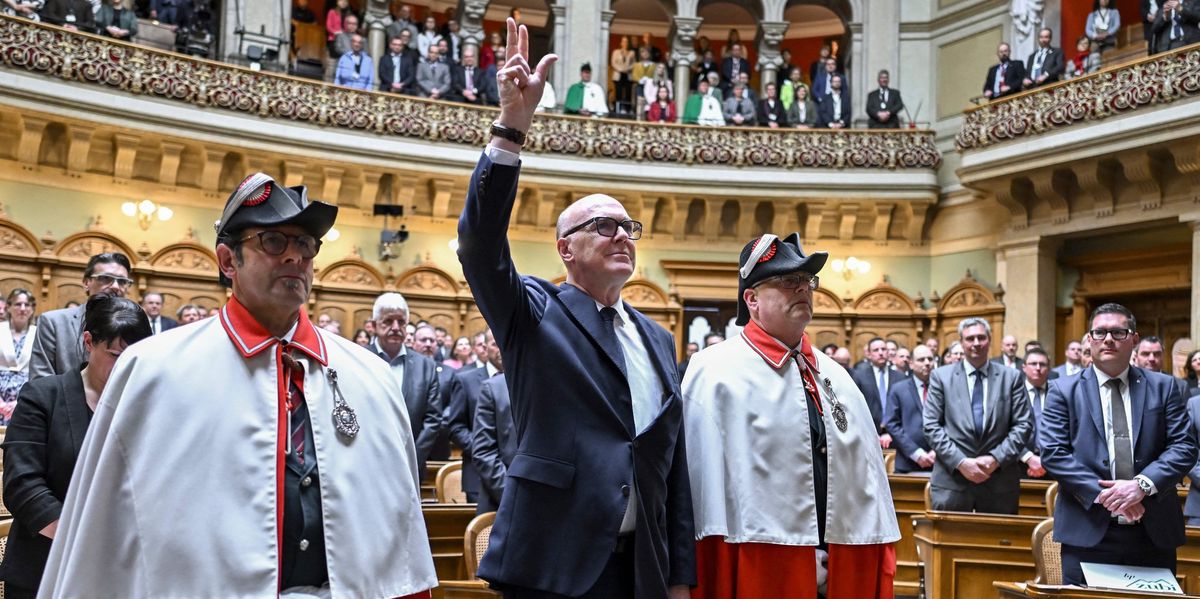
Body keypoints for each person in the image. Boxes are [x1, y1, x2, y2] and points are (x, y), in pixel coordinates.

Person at [38, 172, 436, 597]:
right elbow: (103, 534)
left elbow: (400, 535)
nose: (295, 257)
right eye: (274, 242)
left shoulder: (369, 376)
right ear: (228, 261)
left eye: (306, 245)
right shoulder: (154, 371)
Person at [458, 18, 694, 598]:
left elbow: (671, 466)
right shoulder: (536, 312)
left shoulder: (657, 338)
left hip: (640, 571)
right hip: (552, 566)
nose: (622, 236)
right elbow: (480, 246)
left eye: (628, 227)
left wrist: (679, 577)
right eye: (604, 226)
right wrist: (512, 127)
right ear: (566, 249)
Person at [683, 233, 899, 597]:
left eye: (807, 280)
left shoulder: (837, 376)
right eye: (787, 280)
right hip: (758, 561)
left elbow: (867, 483)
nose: (802, 288)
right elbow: (702, 491)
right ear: (751, 299)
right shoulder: (715, 371)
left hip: (842, 561)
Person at [0, 294, 151, 597]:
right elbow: (22, 485)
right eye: (115, 355)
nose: (126, 368)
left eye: (136, 358)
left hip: (124, 571)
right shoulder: (43, 396)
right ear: (89, 341)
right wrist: (85, 540)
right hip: (46, 564)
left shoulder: (148, 404)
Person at [1041, 303, 1196, 585]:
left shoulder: (1164, 387)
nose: (1108, 339)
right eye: (1100, 332)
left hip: (1152, 530)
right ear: (1089, 339)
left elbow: (1184, 447)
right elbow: (1054, 454)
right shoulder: (1063, 390)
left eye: (1118, 332)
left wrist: (1140, 486)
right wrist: (1110, 497)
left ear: (1134, 339)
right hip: (1087, 530)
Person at [923, 317, 1032, 513]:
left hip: (999, 482)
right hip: (952, 481)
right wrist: (961, 462)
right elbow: (931, 426)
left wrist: (995, 459)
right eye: (970, 338)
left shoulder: (1011, 377)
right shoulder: (941, 377)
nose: (976, 343)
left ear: (989, 340)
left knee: (998, 534)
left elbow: (1023, 425)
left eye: (981, 337)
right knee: (951, 535)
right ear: (961, 342)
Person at [372, 292, 444, 479]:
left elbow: (433, 419)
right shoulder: (359, 358)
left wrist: (412, 458)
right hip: (368, 462)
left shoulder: (426, 366)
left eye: (401, 322)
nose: (396, 328)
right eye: (388, 321)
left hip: (412, 467)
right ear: (374, 325)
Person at [30, 252, 131, 381]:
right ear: (86, 282)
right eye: (105, 278)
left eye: (122, 281)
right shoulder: (53, 322)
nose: (116, 286)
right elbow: (40, 382)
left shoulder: (134, 327)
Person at [447, 329, 502, 503]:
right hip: (477, 475)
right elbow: (456, 426)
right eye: (495, 344)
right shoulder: (465, 380)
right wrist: (483, 450)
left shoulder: (522, 378)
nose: (501, 348)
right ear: (485, 348)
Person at [886, 344, 937, 474]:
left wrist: (938, 450)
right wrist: (915, 453)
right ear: (911, 364)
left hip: (940, 462)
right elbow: (891, 424)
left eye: (930, 359)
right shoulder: (898, 389)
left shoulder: (943, 388)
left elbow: (951, 422)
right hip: (907, 462)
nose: (927, 363)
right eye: (921, 360)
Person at [473, 371, 515, 514]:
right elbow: (484, 453)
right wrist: (514, 497)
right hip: (501, 501)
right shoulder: (494, 387)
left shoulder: (560, 384)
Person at [852, 337, 906, 447]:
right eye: (876, 350)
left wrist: (892, 433)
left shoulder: (900, 377)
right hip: (868, 436)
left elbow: (905, 409)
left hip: (896, 437)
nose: (880, 353)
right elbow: (855, 408)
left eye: (883, 349)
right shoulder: (859, 376)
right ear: (869, 354)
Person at [0, 288, 37, 425]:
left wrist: (20, 402)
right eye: (17, 304)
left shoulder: (39, 333)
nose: (22, 309)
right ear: (8, 307)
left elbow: (40, 371)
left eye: (27, 305)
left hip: (26, 402)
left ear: (32, 309)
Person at [1020, 347, 1051, 478]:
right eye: (1033, 364)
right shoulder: (1013, 392)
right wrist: (1028, 457)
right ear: (1024, 367)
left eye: (1042, 364)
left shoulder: (1059, 392)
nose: (1038, 368)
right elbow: (1004, 429)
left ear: (1048, 368)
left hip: (1054, 464)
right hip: (1019, 464)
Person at [611, 35, 635, 110]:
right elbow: (613, 63)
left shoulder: (632, 53)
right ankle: (617, 109)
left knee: (628, 93)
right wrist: (621, 69)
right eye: (623, 41)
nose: (625, 43)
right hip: (618, 75)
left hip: (628, 75)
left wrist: (627, 69)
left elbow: (634, 64)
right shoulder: (616, 52)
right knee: (618, 93)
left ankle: (627, 110)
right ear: (621, 43)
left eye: (626, 41)